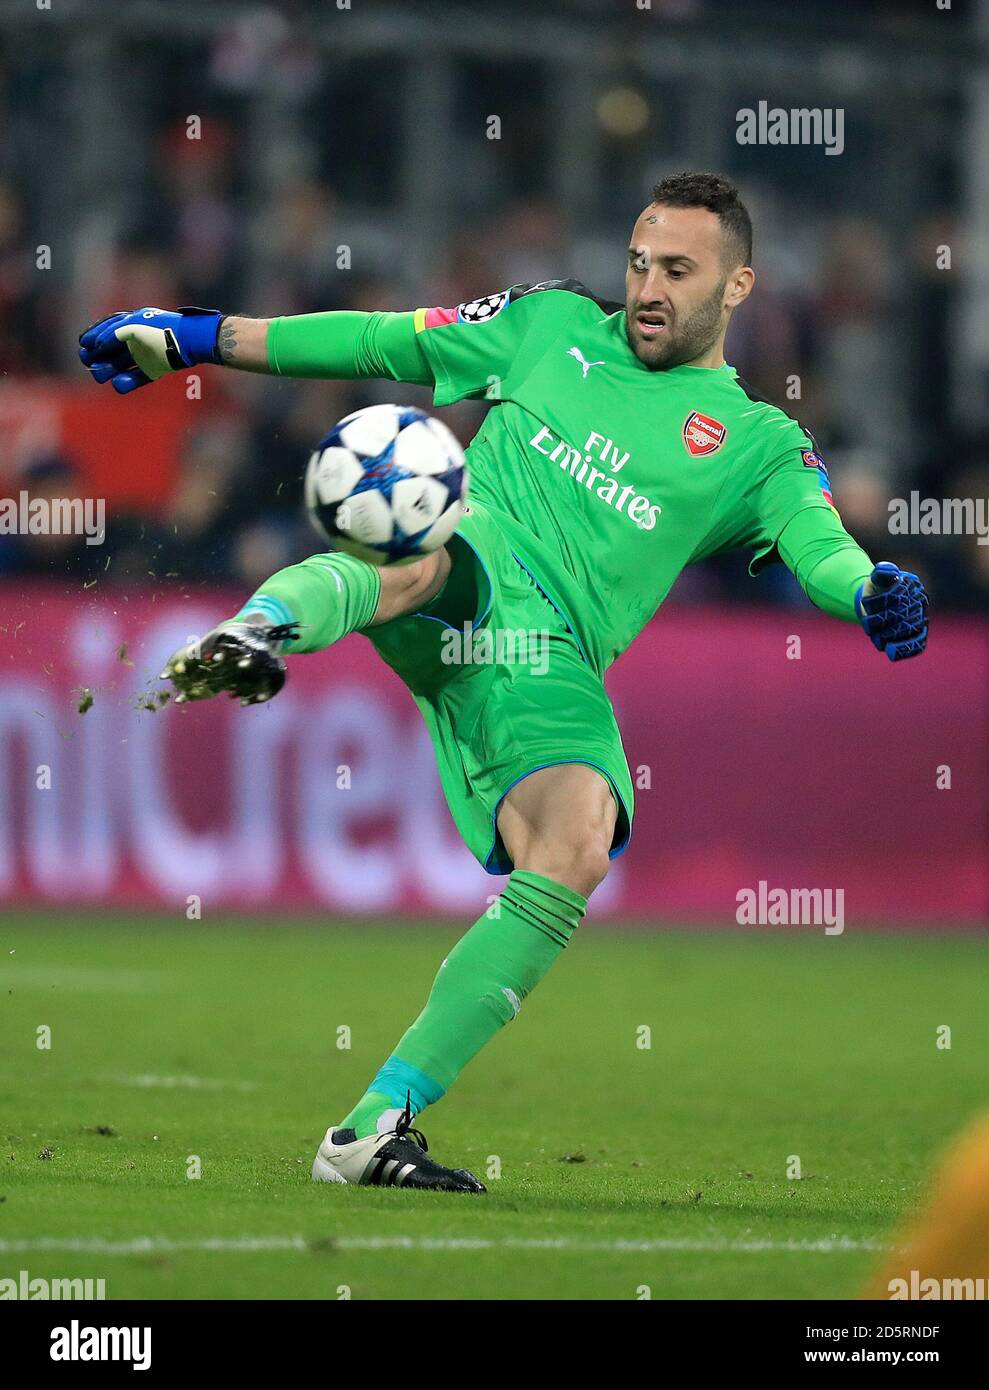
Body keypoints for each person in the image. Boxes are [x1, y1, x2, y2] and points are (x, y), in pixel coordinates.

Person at [79, 172, 929, 1193]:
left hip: (546, 663)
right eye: (637, 262)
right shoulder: (548, 324)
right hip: (477, 570)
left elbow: (817, 543)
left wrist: (868, 590)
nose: (647, 287)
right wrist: (194, 336)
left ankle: (367, 1128)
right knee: (425, 546)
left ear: (738, 284)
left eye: (676, 270)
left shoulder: (755, 444)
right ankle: (261, 625)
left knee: (576, 838)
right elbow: (377, 340)